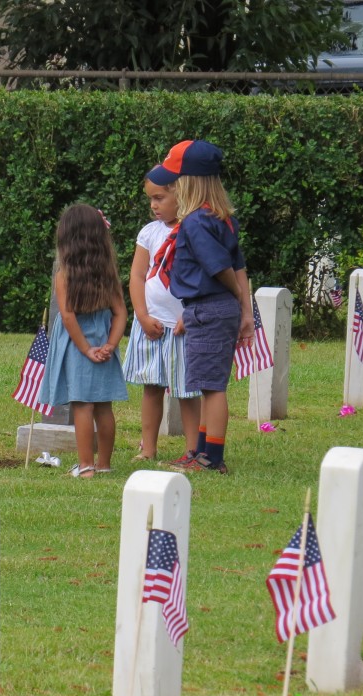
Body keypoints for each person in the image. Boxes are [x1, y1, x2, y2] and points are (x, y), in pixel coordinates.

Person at [148, 140, 252, 474]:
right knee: (207, 384)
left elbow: (221, 266)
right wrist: (244, 310)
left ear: (190, 182)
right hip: (210, 309)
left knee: (212, 387)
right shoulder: (221, 218)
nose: (173, 185)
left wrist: (236, 296)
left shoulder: (194, 222)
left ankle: (211, 458)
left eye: (176, 179)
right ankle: (202, 452)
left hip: (208, 307)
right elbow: (240, 265)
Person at [37, 203, 128, 478]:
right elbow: (121, 312)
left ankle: (86, 465)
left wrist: (86, 349)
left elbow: (68, 317)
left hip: (79, 346)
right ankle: (104, 464)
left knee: (82, 405)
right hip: (104, 342)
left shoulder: (64, 276)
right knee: (103, 406)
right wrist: (110, 345)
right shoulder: (107, 274)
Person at [123, 172, 201, 464]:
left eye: (160, 198)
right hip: (152, 324)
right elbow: (138, 275)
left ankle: (193, 450)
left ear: (180, 194)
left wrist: (190, 315)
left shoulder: (193, 229)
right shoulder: (150, 232)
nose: (154, 205)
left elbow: (200, 276)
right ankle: (148, 449)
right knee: (152, 387)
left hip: (182, 326)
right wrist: (141, 315)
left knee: (188, 390)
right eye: (150, 199)